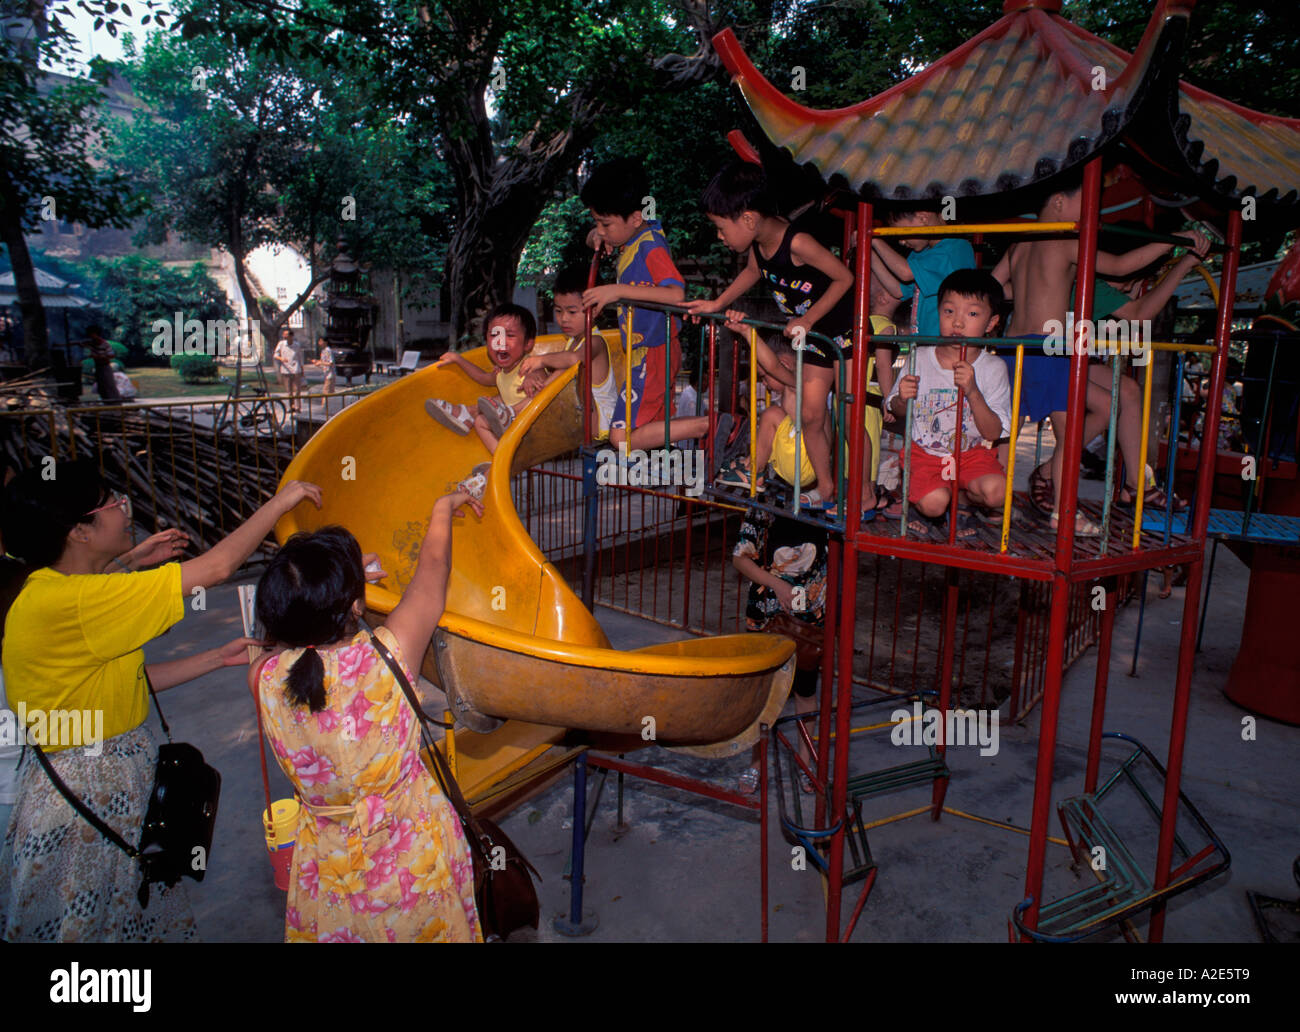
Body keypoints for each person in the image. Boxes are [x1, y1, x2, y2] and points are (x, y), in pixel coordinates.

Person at [0, 459, 320, 941]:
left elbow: (126, 677)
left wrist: (215, 658)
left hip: (97, 785)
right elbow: (217, 567)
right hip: (88, 798)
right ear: (79, 531)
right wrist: (280, 503)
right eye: (111, 503)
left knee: (122, 918)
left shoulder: (54, 590)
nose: (123, 510)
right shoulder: (79, 603)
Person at [250, 489, 484, 943]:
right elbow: (433, 572)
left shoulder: (262, 677)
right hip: (412, 854)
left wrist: (335, 596)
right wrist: (442, 507)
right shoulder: (389, 654)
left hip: (328, 867)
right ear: (356, 605)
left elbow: (281, 642)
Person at [992, 176, 1207, 532]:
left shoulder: (1020, 242)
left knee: (1004, 430)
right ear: (1060, 202)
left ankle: (993, 500)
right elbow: (1120, 266)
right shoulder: (1067, 241)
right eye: (1085, 205)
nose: (1090, 215)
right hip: (1050, 349)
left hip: (1014, 347)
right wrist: (1173, 243)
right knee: (1069, 432)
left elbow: (997, 288)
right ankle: (1063, 513)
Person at [686, 161, 855, 510]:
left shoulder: (799, 242)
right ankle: (827, 489)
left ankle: (854, 487)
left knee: (850, 414)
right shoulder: (758, 245)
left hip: (840, 335)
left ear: (748, 219)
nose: (719, 236)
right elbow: (752, 272)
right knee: (810, 415)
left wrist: (808, 319)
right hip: (811, 338)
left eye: (720, 228)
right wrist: (717, 302)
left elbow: (844, 278)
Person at [580, 158, 714, 452]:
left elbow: (676, 295)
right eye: (597, 222)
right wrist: (598, 236)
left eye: (605, 224)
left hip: (654, 353)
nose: (600, 231)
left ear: (635, 218)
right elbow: (599, 235)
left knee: (621, 439)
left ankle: (710, 425)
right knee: (647, 431)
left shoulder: (650, 245)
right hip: (645, 353)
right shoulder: (634, 232)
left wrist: (616, 291)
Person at [886, 270, 1012, 540]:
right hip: (924, 452)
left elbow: (992, 433)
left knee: (998, 492)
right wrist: (900, 399)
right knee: (934, 504)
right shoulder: (919, 356)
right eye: (949, 311)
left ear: (992, 322)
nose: (958, 321)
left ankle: (963, 504)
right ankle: (921, 503)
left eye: (973, 314)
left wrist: (973, 391)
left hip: (970, 454)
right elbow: (896, 411)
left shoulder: (994, 367)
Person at [732, 507, 825, 794]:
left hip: (810, 620)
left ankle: (806, 762)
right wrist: (778, 585)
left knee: (805, 693)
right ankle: (756, 765)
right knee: (765, 694)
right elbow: (739, 557)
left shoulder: (827, 505)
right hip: (767, 615)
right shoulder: (766, 503)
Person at [425, 304, 550, 454]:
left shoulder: (530, 366)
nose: (500, 342)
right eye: (494, 335)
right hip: (513, 430)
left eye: (509, 335)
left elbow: (545, 383)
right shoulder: (501, 372)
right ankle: (502, 458)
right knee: (481, 422)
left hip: (534, 429)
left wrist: (533, 376)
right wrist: (459, 360)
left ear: (528, 344)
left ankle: (469, 413)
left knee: (500, 400)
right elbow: (482, 378)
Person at [515, 265, 620, 441]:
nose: (564, 318)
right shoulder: (573, 341)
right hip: (582, 412)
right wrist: (535, 373)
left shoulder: (595, 342)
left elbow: (573, 359)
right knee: (548, 369)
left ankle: (519, 410)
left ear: (595, 311)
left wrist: (540, 361)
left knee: (567, 367)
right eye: (558, 311)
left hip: (602, 422)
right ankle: (519, 410)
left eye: (572, 312)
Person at [871, 208, 976, 340]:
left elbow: (906, 273)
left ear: (923, 218)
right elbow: (898, 290)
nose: (901, 241)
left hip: (948, 341)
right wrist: (871, 255)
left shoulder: (955, 248)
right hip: (923, 340)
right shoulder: (920, 254)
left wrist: (875, 241)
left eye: (902, 234)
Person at [85, 326, 121, 402]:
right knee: (102, 387)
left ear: (96, 334)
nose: (91, 336)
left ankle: (115, 404)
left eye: (92, 334)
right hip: (98, 367)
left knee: (109, 386)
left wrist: (99, 356)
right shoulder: (92, 344)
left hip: (105, 367)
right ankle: (106, 403)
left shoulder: (104, 344)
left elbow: (111, 355)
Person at [273, 329, 304, 414]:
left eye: (286, 334)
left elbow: (300, 357)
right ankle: (291, 406)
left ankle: (298, 407)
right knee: (289, 391)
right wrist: (281, 358)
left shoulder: (297, 345)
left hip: (296, 369)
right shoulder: (281, 344)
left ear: (291, 336)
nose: (284, 336)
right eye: (284, 334)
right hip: (285, 370)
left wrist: (302, 369)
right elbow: (275, 355)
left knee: (297, 390)